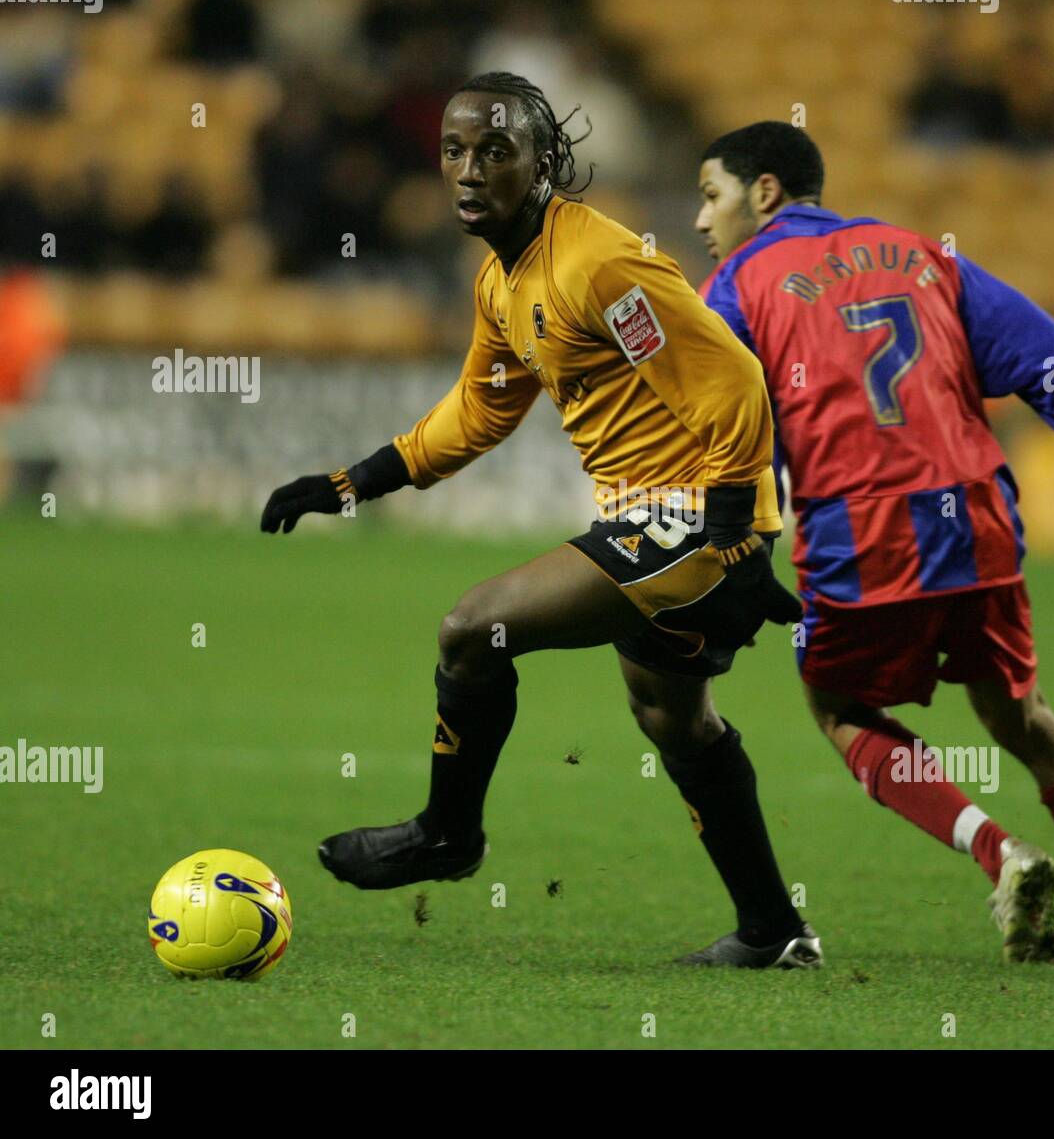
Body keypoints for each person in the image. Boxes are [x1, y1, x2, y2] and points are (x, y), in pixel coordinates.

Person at [691, 122, 1054, 968]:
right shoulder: (926, 256)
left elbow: (711, 430)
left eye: (711, 195)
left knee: (840, 706)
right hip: (978, 519)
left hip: (862, 531)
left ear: (766, 191)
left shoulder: (736, 288)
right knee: (1019, 713)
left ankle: (998, 853)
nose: (702, 219)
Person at [260, 75, 818, 969]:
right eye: (454, 151)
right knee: (674, 722)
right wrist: (350, 483)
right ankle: (774, 929)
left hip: (695, 517)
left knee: (473, 628)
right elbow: (477, 415)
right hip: (658, 519)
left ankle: (448, 834)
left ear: (543, 160)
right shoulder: (501, 280)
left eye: (495, 151)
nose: (469, 171)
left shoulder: (596, 264)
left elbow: (735, 379)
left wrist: (734, 534)